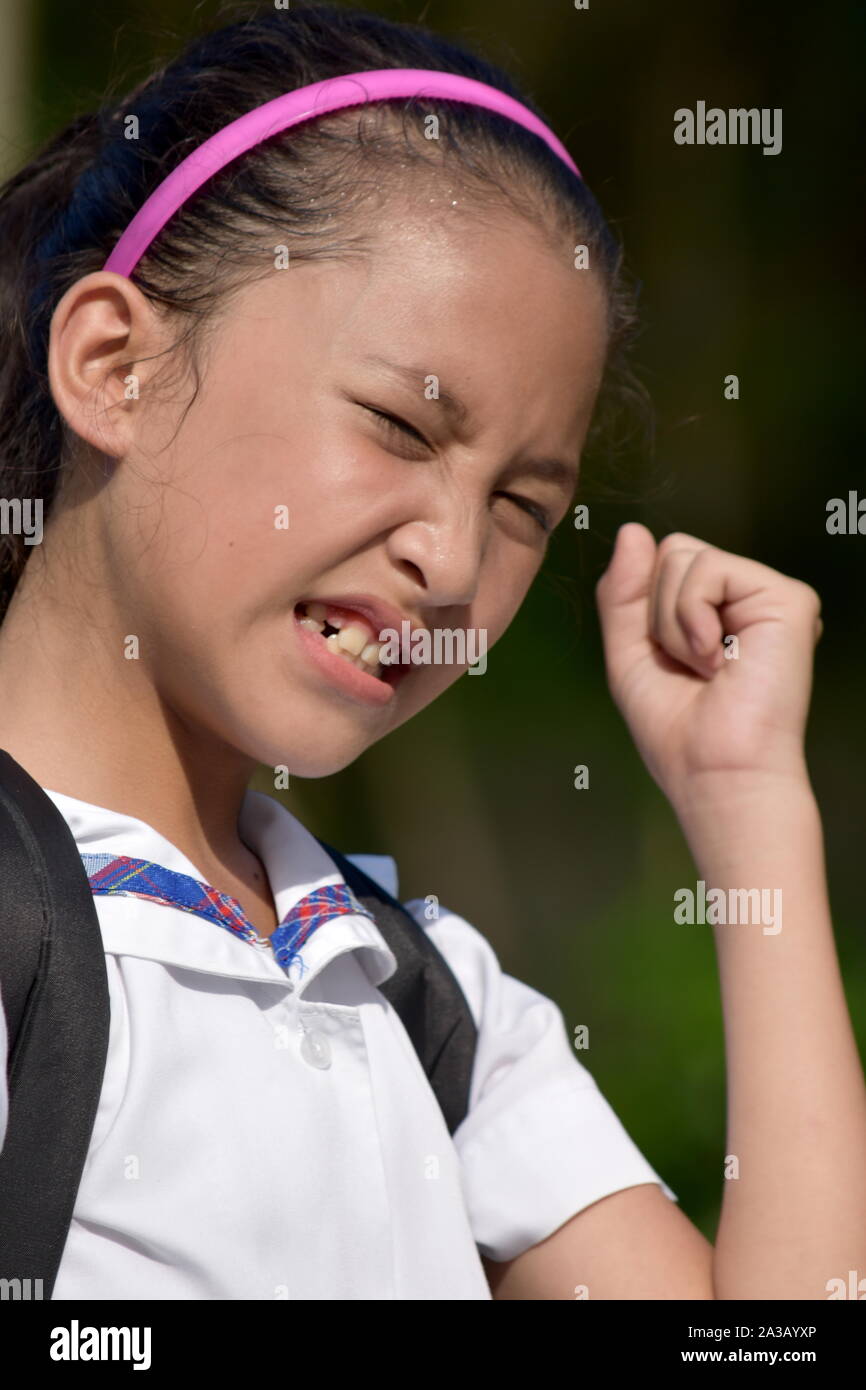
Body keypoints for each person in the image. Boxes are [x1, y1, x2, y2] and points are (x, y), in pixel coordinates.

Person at [0, 1, 863, 1301]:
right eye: (402, 428)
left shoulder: (428, 998)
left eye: (522, 504)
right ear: (115, 364)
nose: (455, 561)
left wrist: (750, 809)